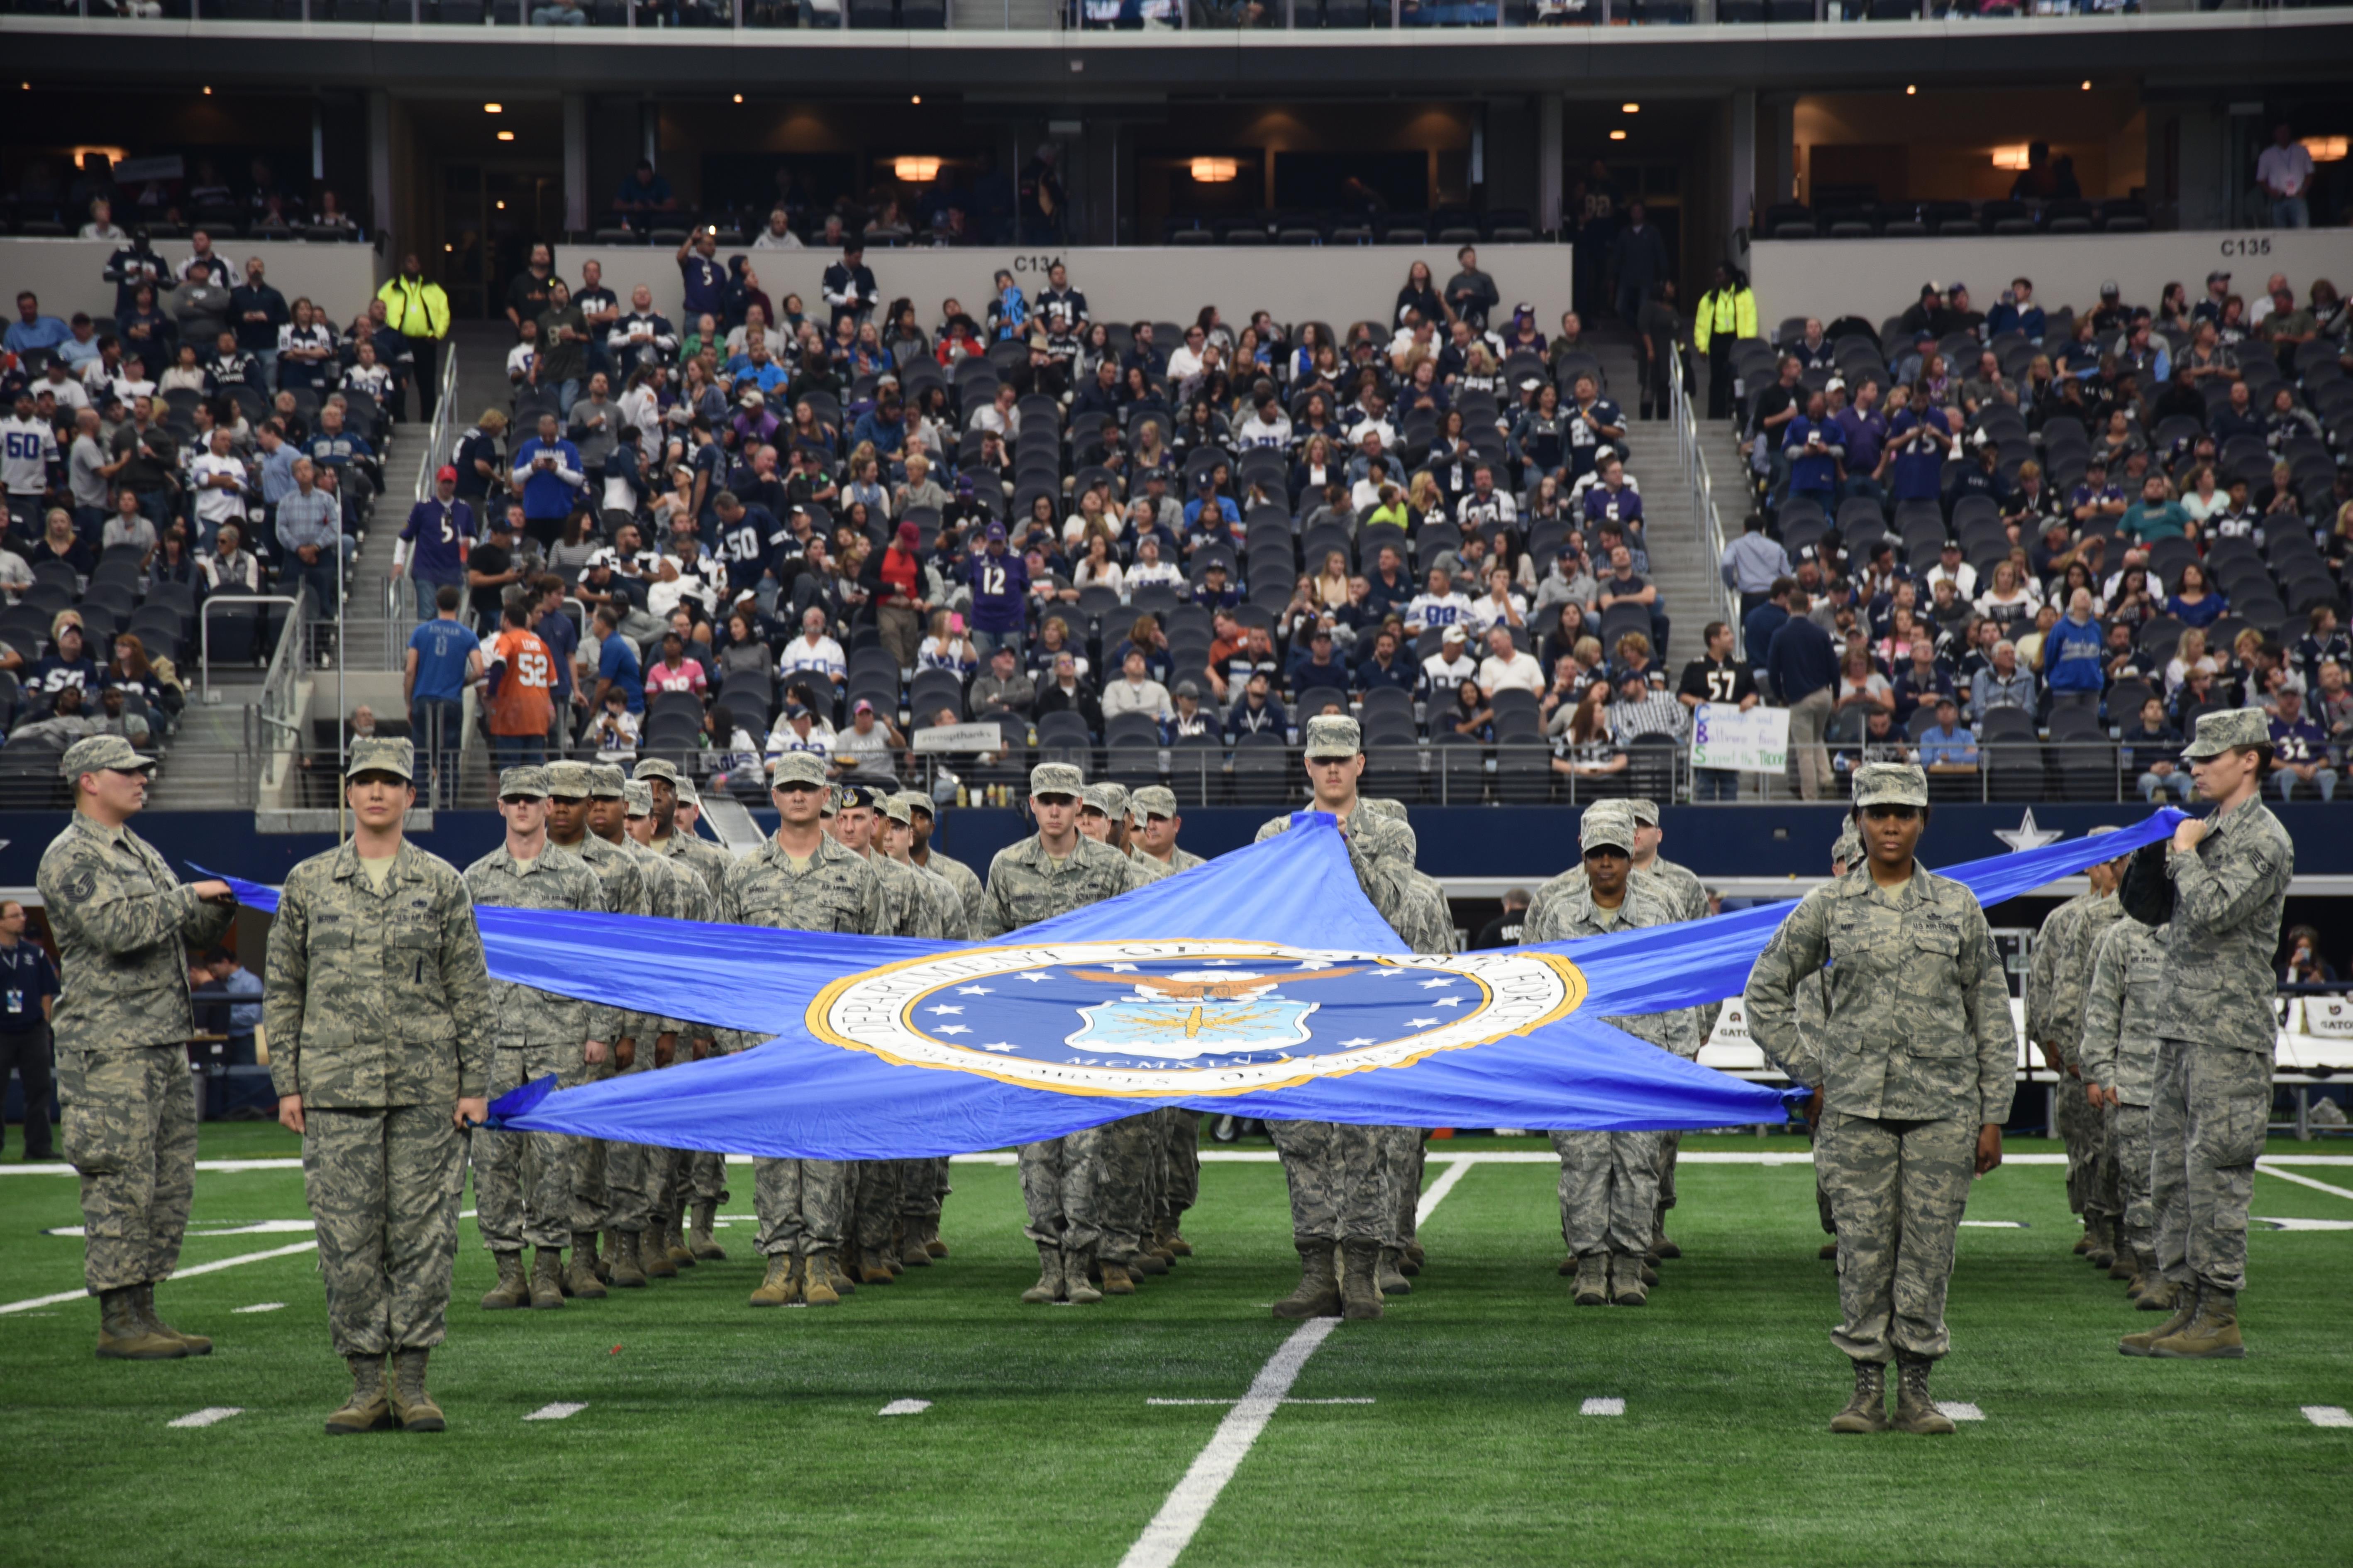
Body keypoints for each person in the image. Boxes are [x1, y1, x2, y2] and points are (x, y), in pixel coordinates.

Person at [1745, 762, 2012, 1436]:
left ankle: (1916, 1390)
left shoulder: (1956, 905)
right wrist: (1815, 1070)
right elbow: (1763, 992)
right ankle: (1865, 1388)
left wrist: (1993, 1115)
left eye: (1904, 813)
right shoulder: (1829, 905)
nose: (1891, 825)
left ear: (1923, 821)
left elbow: (1990, 1013)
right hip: (1856, 1112)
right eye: (1878, 813)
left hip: (1943, 1112)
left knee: (1928, 1251)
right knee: (1863, 1252)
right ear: (1859, 821)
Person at [266, 737, 490, 1435]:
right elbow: (284, 988)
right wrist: (288, 1083)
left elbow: (470, 989)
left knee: (425, 1237)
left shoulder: (442, 882)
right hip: (336, 1091)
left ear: (410, 796)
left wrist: (475, 1084)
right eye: (364, 780)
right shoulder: (308, 881)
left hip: (428, 1092)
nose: (376, 792)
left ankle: (414, 1383)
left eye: (390, 782)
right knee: (347, 1239)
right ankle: (366, 1384)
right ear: (348, 791)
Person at [34, 735, 238, 1361]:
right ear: (89, 780)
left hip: (160, 1038)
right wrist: (189, 897)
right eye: (127, 771)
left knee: (166, 1179)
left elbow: (182, 928)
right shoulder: (71, 855)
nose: (142, 777)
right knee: (120, 1178)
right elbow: (117, 928)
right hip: (109, 1046)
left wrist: (221, 907)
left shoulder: (139, 849)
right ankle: (119, 1319)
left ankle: (144, 1308)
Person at [2120, 707, 2293, 1360]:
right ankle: (2187, 1303)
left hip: (2227, 1034)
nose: (2193, 767)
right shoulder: (2205, 830)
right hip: (2179, 1027)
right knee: (2171, 1171)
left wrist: (2185, 854)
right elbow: (2144, 910)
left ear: (2248, 759)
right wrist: (2152, 850)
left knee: (2215, 1172)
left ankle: (2218, 1312)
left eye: (2207, 757)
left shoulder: (2264, 838)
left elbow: (2216, 908)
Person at [1252, 718, 1422, 1324]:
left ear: (1359, 763)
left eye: (1341, 759)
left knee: (1365, 1142)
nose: (1331, 768)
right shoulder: (1276, 834)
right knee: (1302, 1144)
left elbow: (1391, 905)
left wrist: (1341, 847)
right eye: (1321, 759)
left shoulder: (1391, 831)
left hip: (1365, 1008)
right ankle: (1317, 1273)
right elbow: (1265, 915)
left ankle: (1363, 1275)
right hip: (1297, 1009)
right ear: (1306, 765)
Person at [716, 751, 889, 1308]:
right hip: (764, 1040)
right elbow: (725, 967)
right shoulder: (744, 872)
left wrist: (865, 1043)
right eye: (788, 787)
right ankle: (779, 1262)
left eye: (807, 788)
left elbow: (878, 965)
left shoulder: (856, 873)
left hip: (829, 1040)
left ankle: (820, 1261)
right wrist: (735, 1046)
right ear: (774, 796)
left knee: (825, 1154)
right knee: (772, 1153)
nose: (797, 796)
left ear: (824, 797)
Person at [974, 763, 1151, 1303]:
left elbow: (1133, 945)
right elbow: (988, 948)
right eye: (1045, 800)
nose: (1054, 809)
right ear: (1032, 804)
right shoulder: (1007, 865)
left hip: (1092, 1033)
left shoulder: (1110, 866)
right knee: (1036, 1157)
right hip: (1029, 1038)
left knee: (1086, 1155)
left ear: (1079, 806)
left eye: (1064, 801)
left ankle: (1079, 1267)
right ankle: (1048, 1267)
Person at [1523, 800, 1695, 1307]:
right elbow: (1534, 987)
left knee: (1639, 1169)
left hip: (1642, 1064)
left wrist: (1680, 1060)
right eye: (1597, 853)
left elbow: (1678, 986)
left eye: (1615, 853)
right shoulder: (1558, 911)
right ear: (1584, 854)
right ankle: (1591, 1267)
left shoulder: (1660, 907)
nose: (1606, 863)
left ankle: (1629, 1267)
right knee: (1584, 1168)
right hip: (1578, 1066)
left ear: (1629, 854)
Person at [462, 765, 620, 1311]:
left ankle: (549, 1266)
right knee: (494, 1158)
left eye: (532, 799)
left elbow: (598, 959)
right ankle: (509, 1269)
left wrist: (600, 1030)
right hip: (495, 1038)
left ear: (548, 805)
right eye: (514, 799)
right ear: (501, 806)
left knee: (556, 1157)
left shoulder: (577, 878)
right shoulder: (475, 879)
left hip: (560, 1035)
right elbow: (460, 966)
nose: (524, 807)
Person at [2024, 830, 2128, 1265]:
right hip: (2086, 1052)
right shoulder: (2071, 918)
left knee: (2124, 1152)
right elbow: (2049, 984)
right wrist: (2056, 1044)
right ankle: (2098, 1225)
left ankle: (2128, 1236)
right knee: (2089, 1149)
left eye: (2121, 859)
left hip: (2132, 1053)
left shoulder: (2151, 916)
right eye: (2105, 860)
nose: (2113, 869)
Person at [2079, 909, 2173, 1313]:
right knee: (2141, 1188)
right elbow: (2101, 1009)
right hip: (2138, 1086)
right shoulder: (2125, 937)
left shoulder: (2213, 931)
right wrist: (2102, 1073)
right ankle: (2154, 1273)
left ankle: (2196, 1278)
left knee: (2199, 1188)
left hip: (2200, 1087)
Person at [404, 586, 485, 809]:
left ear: (437, 604)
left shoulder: (421, 632)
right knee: (448, 760)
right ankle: (448, 808)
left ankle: (420, 808)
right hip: (451, 701)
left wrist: (409, 702)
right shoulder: (468, 635)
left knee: (421, 759)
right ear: (458, 605)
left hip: (423, 699)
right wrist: (462, 683)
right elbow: (479, 670)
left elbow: (410, 670)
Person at [0, 898, 61, 1162]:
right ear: (1, 922)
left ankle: (39, 1147)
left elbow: (48, 992)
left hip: (32, 1029)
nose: (22, 920)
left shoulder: (35, 954)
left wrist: (45, 1025)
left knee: (40, 1089)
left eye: (23, 915)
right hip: (2, 1031)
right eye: (15, 916)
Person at [376, 254, 451, 424]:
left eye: (417, 262)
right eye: (410, 262)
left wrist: (438, 334)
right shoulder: (391, 287)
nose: (414, 265)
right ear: (403, 265)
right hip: (400, 341)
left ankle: (429, 420)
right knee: (399, 380)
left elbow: (444, 312)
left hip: (426, 341)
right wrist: (389, 334)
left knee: (427, 383)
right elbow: (380, 308)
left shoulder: (433, 287)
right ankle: (399, 419)